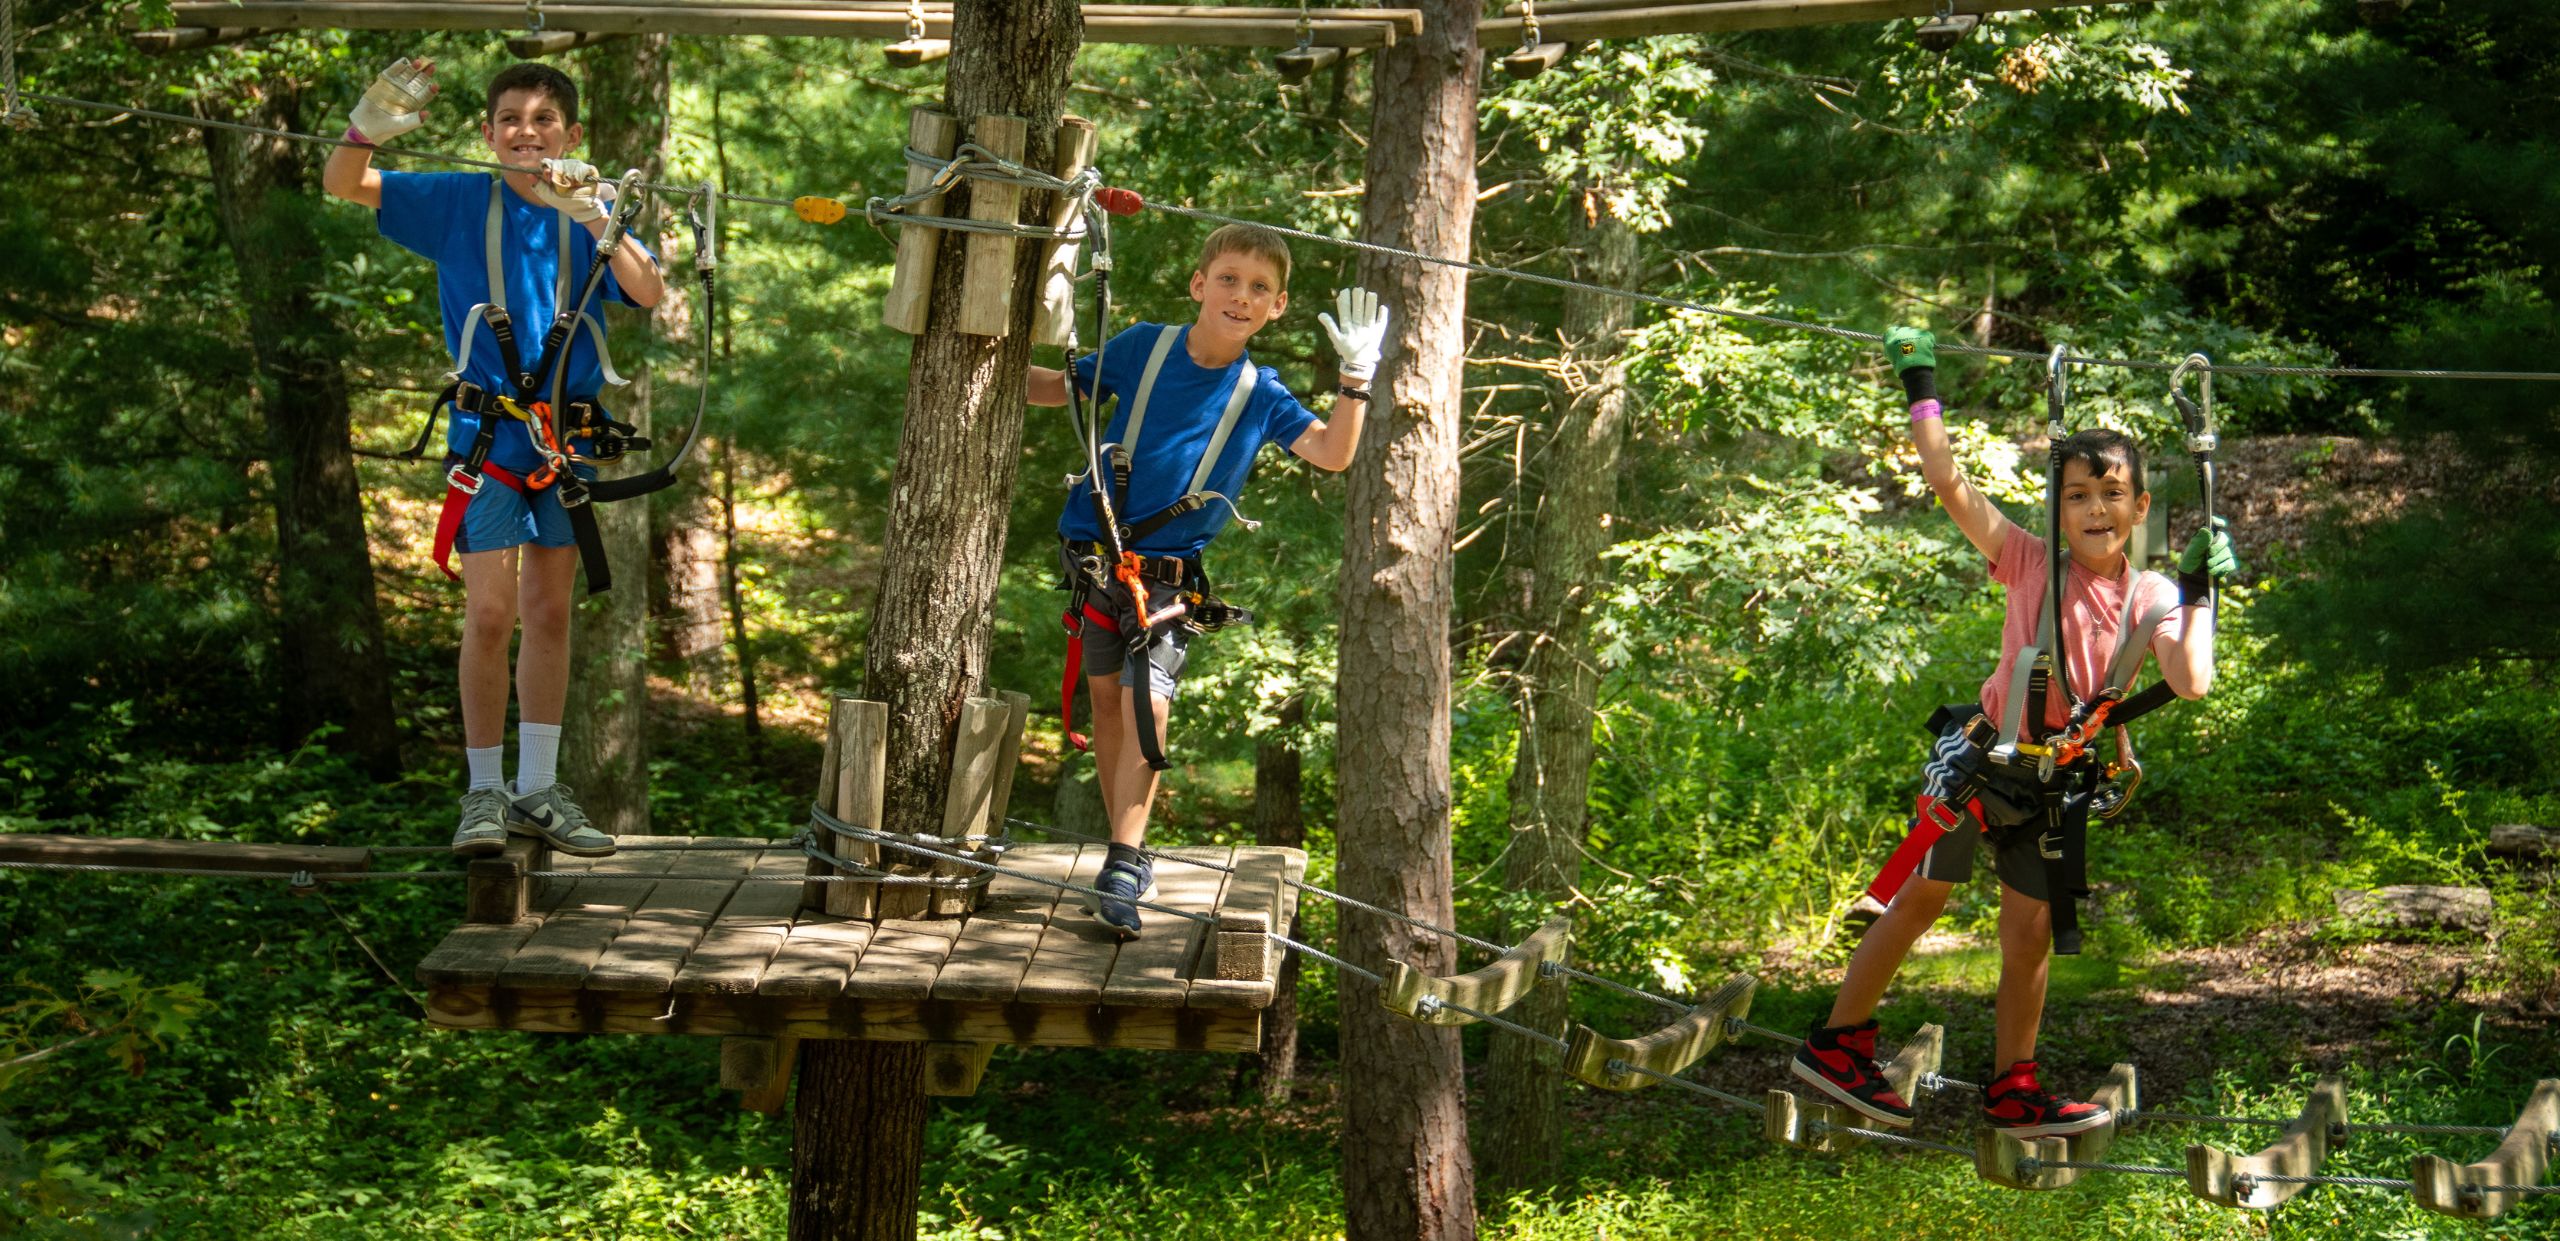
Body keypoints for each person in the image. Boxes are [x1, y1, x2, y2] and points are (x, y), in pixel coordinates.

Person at [1791, 326, 2237, 1137]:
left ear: (2141, 508)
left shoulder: (2151, 595)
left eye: (2112, 494)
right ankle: (1838, 1044)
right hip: (1981, 763)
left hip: (2054, 785)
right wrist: (1921, 382)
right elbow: (1948, 480)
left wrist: (2200, 592)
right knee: (1920, 899)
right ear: (2056, 509)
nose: (2095, 509)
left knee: (2028, 936)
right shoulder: (2029, 560)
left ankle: (2014, 1089)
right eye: (2077, 495)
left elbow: (2191, 680)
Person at [321, 59, 665, 859]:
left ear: (573, 134)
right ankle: (483, 790)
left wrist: (594, 215)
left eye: (544, 120)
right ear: (488, 132)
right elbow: (345, 184)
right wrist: (365, 128)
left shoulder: (592, 212)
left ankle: (536, 787)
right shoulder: (457, 200)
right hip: (488, 442)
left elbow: (648, 291)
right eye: (510, 118)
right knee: (488, 613)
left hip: (564, 445)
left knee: (548, 611)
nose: (526, 131)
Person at [1028, 223, 1388, 938]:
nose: (1240, 296)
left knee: (1147, 705)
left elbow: (1332, 452)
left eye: (1259, 288)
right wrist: (975, 354)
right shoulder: (1144, 347)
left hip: (1165, 580)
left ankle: (1122, 864)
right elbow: (1059, 387)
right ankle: (1126, 852)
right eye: (1228, 279)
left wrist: (1356, 381)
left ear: (1277, 307)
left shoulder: (1261, 394)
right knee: (1107, 708)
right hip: (1097, 558)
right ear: (1199, 284)